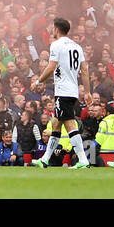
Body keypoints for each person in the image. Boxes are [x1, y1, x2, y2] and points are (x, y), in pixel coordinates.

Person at [29, 17, 91, 168]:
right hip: (72, 90)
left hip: (64, 91)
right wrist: (87, 91)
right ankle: (45, 159)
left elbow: (51, 67)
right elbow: (84, 69)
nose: (51, 30)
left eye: (52, 27)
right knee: (56, 124)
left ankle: (83, 160)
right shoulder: (77, 46)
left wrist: (38, 82)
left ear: (56, 29)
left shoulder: (56, 45)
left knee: (70, 124)